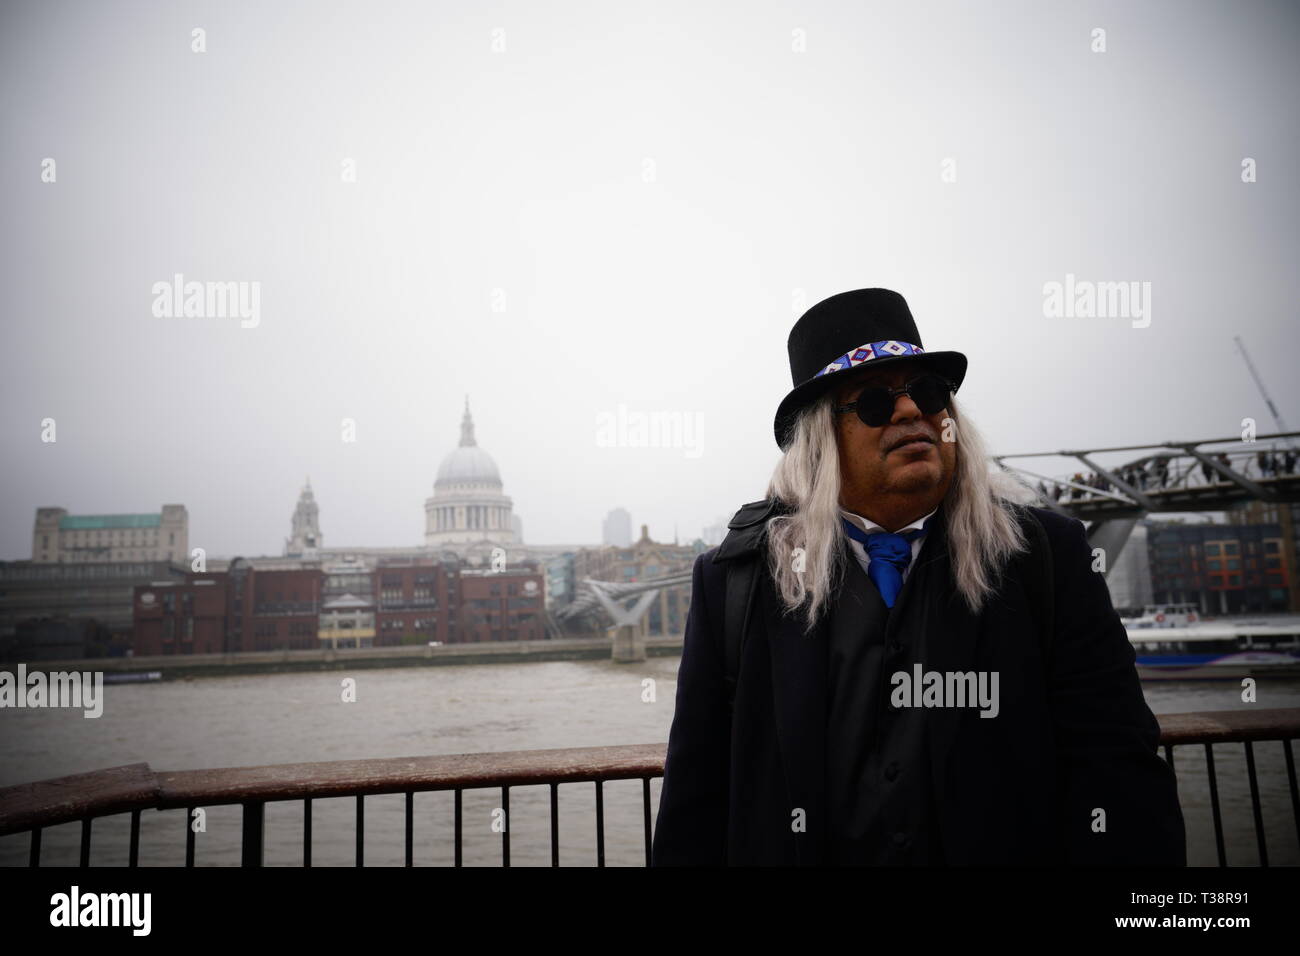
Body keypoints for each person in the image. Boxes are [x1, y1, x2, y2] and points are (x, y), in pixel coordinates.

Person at [652, 288, 1185, 866]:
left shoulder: (1045, 558)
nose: (911, 412)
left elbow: (1117, 767)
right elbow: (696, 798)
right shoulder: (738, 581)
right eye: (875, 403)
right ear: (818, 442)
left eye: (929, 394)